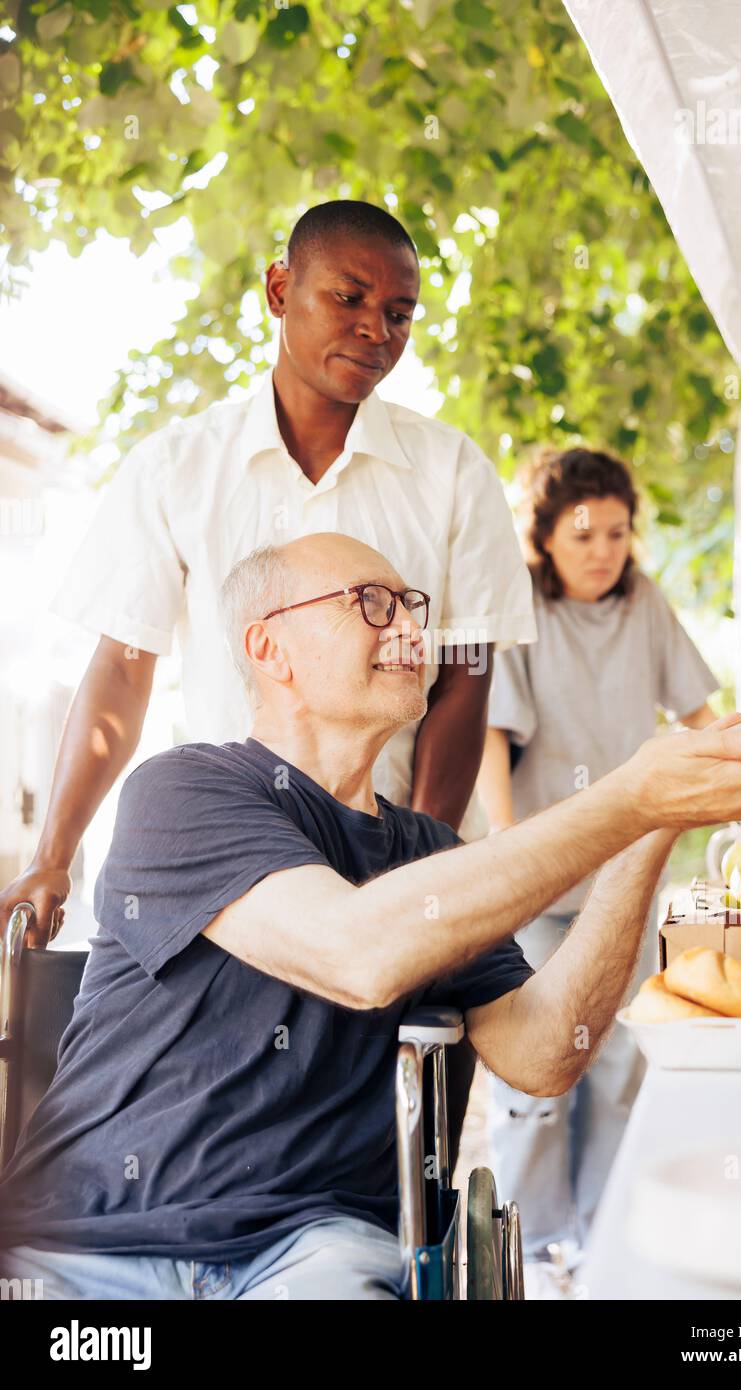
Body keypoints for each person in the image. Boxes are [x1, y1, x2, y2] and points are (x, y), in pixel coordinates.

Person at [0, 533, 741, 1301]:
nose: (409, 626)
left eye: (414, 605)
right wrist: (626, 800)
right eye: (371, 602)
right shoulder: (185, 789)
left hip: (313, 1252)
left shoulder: (432, 855)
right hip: (88, 1243)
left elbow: (547, 1054)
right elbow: (355, 952)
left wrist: (651, 829)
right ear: (270, 647)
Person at [0, 199, 535, 1147]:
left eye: (402, 312)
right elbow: (120, 675)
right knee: (199, 1115)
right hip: (222, 864)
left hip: (383, 851)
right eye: (350, 296)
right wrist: (52, 854)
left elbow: (463, 681)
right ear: (280, 291)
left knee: (362, 1146)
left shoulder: (454, 475)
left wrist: (414, 868)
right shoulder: (176, 467)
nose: (377, 329)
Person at [476, 445, 720, 1274]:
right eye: (583, 534)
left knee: (616, 1068)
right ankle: (537, 1253)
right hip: (541, 886)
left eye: (617, 533)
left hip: (624, 881)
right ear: (544, 538)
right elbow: (492, 737)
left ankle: (603, 1245)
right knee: (537, 1080)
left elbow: (703, 715)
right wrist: (511, 858)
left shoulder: (643, 601)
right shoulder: (520, 607)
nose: (602, 549)